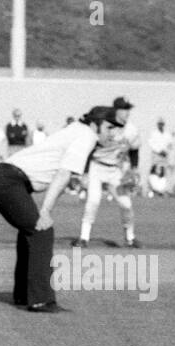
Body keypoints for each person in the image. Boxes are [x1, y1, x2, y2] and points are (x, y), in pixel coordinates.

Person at [0, 106, 120, 311]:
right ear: (94, 125)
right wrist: (45, 211)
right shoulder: (88, 136)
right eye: (109, 127)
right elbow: (63, 174)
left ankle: (24, 295)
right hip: (8, 182)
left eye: (115, 128)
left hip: (5, 179)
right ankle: (41, 300)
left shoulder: (78, 130)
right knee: (42, 230)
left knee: (31, 230)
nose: (113, 133)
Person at [75, 95, 141, 249]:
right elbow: (89, 149)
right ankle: (84, 238)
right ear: (116, 110)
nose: (127, 112)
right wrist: (85, 172)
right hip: (96, 166)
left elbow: (134, 149)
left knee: (126, 204)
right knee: (93, 201)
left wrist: (134, 169)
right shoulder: (103, 125)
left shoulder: (131, 130)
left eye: (128, 109)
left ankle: (130, 238)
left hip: (115, 170)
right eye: (123, 109)